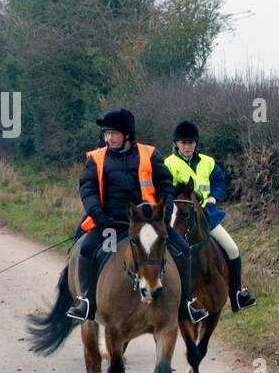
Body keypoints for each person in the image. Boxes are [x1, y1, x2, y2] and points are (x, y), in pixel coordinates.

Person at [67, 108, 208, 324]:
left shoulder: (149, 154)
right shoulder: (96, 158)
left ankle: (185, 304)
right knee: (86, 250)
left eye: (113, 133)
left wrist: (164, 215)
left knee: (183, 250)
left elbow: (165, 187)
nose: (109, 138)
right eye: (106, 133)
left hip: (148, 224)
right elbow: (88, 191)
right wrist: (100, 217)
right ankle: (87, 301)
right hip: (111, 223)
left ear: (127, 135)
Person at [163, 120, 256, 312]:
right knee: (165, 251)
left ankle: (237, 295)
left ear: (196, 144)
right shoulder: (168, 164)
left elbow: (219, 181)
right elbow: (165, 188)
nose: (187, 146)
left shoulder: (208, 162)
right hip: (180, 217)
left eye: (190, 143)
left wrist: (213, 196)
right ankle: (164, 295)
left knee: (233, 249)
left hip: (207, 217)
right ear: (176, 144)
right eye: (183, 143)